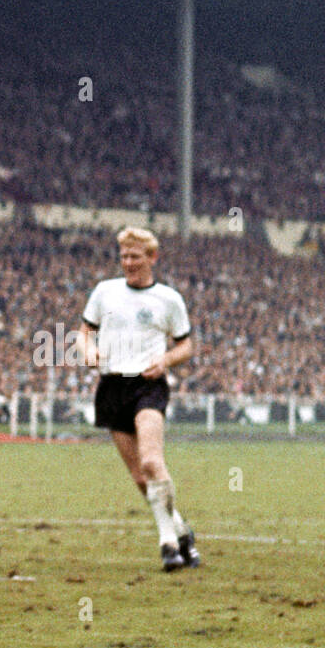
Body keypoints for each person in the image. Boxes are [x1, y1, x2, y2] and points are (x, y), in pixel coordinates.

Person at [79, 227, 198, 571]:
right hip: (112, 388)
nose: (128, 263)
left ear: (152, 258)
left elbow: (186, 345)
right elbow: (84, 332)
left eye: (135, 257)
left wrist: (166, 360)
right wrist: (88, 350)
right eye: (124, 256)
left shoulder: (169, 299)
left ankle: (167, 544)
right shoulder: (105, 292)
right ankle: (181, 530)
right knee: (139, 478)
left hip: (149, 387)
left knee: (151, 460)